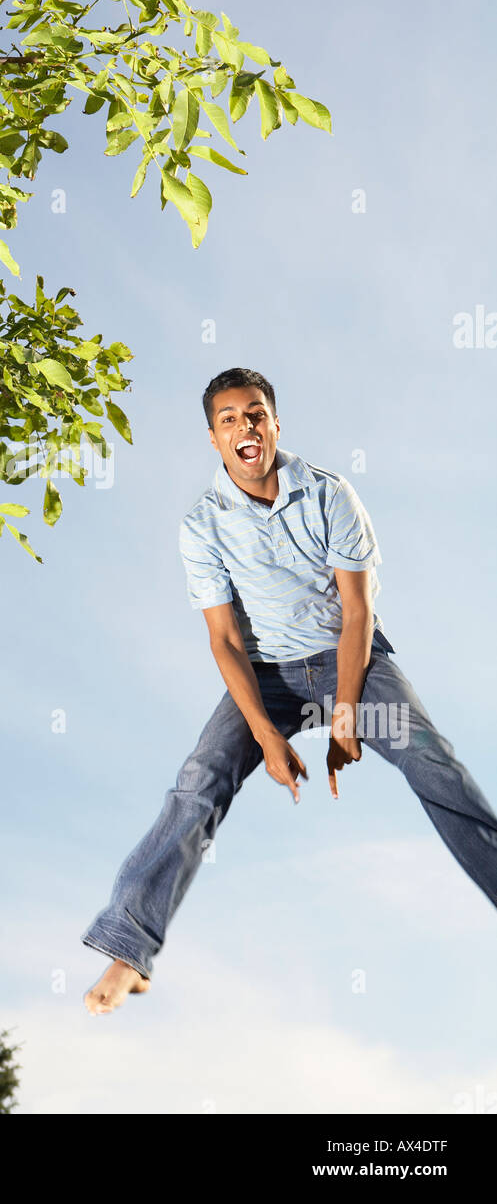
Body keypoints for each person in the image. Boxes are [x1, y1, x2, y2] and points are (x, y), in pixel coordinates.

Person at [81, 367, 497, 1016]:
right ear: (213, 439)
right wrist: (267, 734)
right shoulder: (201, 525)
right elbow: (222, 640)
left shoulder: (330, 494)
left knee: (430, 761)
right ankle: (127, 949)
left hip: (349, 658)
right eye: (228, 419)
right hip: (266, 675)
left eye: (254, 414)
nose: (243, 427)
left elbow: (357, 612)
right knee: (200, 777)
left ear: (273, 425)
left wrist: (344, 715)